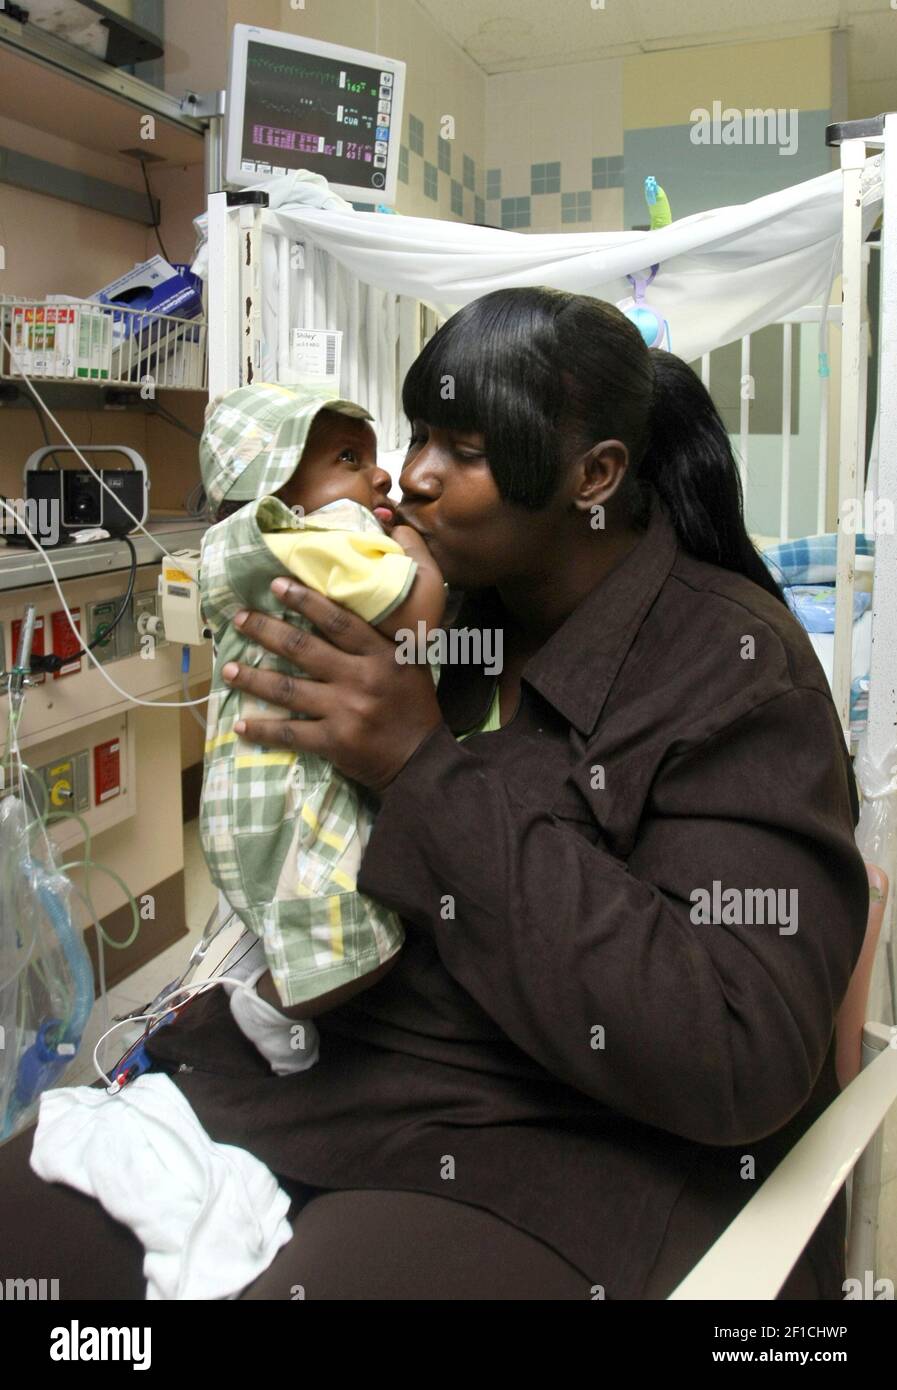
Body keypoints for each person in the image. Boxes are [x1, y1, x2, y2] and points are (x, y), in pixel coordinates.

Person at [0, 288, 868, 1300]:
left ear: (595, 476)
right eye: (417, 436)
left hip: (568, 1139)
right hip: (350, 1074)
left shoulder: (733, 665)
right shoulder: (437, 617)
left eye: (465, 449)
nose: (411, 477)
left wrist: (422, 769)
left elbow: (735, 1045)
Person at [196, 383, 444, 1076]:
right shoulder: (317, 532)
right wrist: (411, 539)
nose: (384, 474)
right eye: (346, 457)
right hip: (291, 794)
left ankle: (272, 981)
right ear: (274, 488)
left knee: (302, 917)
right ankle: (271, 1006)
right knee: (357, 947)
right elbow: (418, 619)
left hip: (246, 789)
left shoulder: (240, 543)